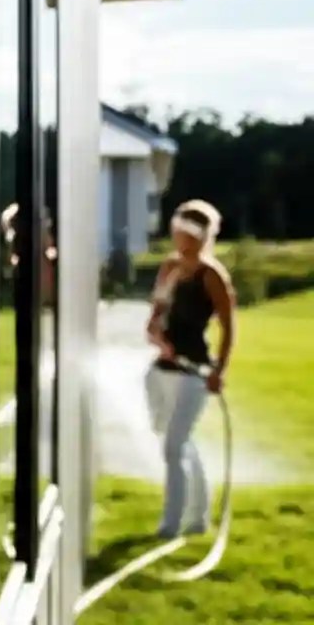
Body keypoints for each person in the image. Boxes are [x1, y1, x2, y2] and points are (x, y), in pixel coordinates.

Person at [144, 200, 236, 538]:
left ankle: (171, 524)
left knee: (173, 446)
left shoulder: (212, 275)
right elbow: (155, 315)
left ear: (201, 236)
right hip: (161, 369)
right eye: (178, 231)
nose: (180, 238)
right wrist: (155, 334)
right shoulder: (168, 267)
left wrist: (219, 370)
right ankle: (198, 517)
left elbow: (229, 327)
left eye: (187, 233)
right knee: (177, 441)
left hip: (193, 373)